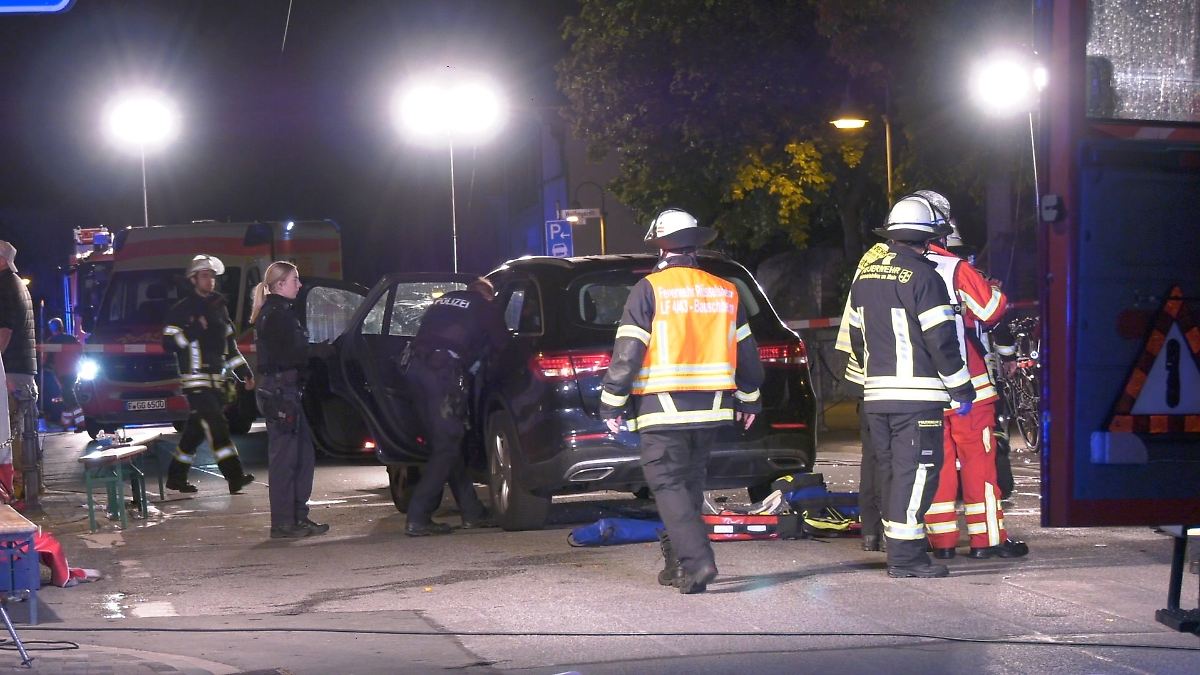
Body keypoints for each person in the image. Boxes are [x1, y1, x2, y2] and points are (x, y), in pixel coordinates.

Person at [598, 209, 764, 594]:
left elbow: (628, 351)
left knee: (668, 485)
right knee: (688, 486)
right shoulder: (726, 290)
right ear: (695, 246)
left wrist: (611, 403)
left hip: (662, 409)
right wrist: (751, 400)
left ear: (660, 246)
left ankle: (698, 562)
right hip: (711, 411)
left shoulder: (650, 289)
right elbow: (747, 353)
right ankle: (680, 568)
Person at [846, 194, 976, 578]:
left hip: (877, 397)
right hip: (916, 399)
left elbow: (857, 338)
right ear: (928, 238)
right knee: (916, 473)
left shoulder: (865, 277)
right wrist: (961, 388)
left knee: (890, 472)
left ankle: (900, 549)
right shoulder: (925, 276)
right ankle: (906, 558)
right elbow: (941, 341)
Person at [923, 212, 1029, 560]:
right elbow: (993, 311)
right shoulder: (959, 270)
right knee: (979, 462)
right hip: (972, 387)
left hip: (926, 388)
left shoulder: (905, 270)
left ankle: (943, 544)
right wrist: (994, 288)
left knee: (936, 464)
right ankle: (986, 541)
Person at [402, 277, 508, 536]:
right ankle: (418, 517)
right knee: (447, 445)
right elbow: (503, 345)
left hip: (414, 369)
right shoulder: (484, 307)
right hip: (441, 374)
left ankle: (471, 512)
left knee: (448, 443)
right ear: (487, 295)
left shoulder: (444, 301)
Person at [161, 254, 255, 494]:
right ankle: (235, 476)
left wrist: (244, 371)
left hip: (217, 381)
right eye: (205, 275)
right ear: (193, 279)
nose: (210, 280)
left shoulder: (219, 307)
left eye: (212, 276)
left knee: (195, 431)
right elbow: (169, 343)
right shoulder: (181, 310)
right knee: (218, 426)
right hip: (195, 380)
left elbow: (230, 347)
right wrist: (193, 330)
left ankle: (175, 477)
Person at [250, 261, 329, 539]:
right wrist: (318, 353)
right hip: (281, 393)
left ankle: (296, 518)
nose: (299, 284)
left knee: (302, 458)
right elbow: (291, 354)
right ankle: (284, 523)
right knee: (286, 461)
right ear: (280, 284)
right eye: (295, 279)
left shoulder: (279, 312)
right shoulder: (276, 315)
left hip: (286, 392)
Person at [834, 241, 891, 552]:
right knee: (894, 458)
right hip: (886, 377)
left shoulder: (872, 254)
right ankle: (893, 531)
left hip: (863, 375)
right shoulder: (899, 261)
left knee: (871, 459)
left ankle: (870, 531)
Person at [0, 240, 41, 504]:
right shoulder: (17, 285)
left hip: (11, 370)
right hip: (23, 370)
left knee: (10, 435)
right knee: (24, 435)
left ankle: (15, 493)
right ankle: (30, 488)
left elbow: (4, 329)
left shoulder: (3, 286)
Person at [45, 317, 84, 431]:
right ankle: (65, 423)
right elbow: (80, 351)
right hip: (74, 371)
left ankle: (81, 424)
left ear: (52, 328)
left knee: (69, 397)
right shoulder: (71, 338)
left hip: (61, 372)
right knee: (67, 396)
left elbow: (48, 359)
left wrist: (46, 367)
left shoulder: (52, 341)